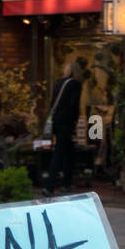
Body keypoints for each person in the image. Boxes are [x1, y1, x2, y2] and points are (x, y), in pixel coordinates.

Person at [44, 60, 83, 196]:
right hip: (66, 122)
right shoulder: (75, 84)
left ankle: (67, 182)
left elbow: (52, 102)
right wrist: (75, 122)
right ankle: (49, 186)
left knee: (68, 151)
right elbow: (74, 105)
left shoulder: (59, 83)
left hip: (56, 121)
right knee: (60, 152)